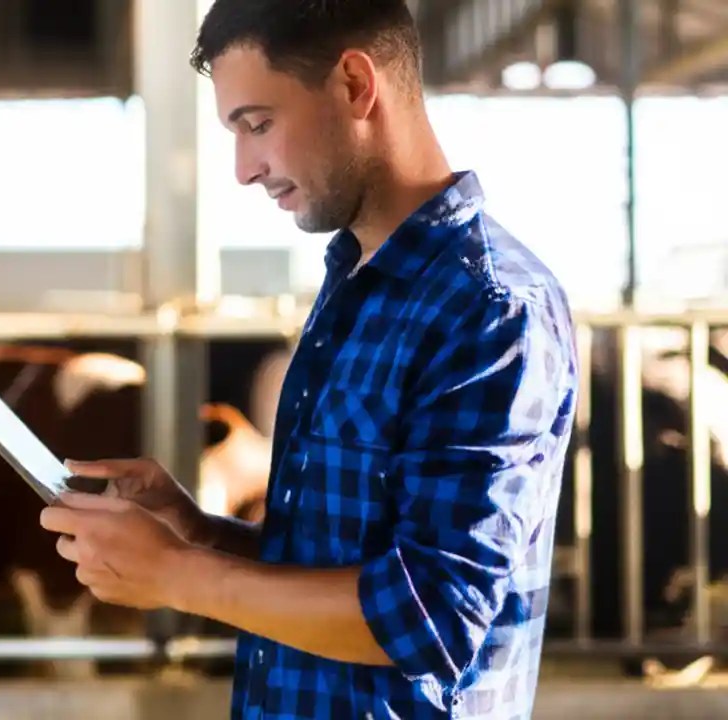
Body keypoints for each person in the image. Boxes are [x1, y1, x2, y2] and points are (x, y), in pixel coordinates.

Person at [38, 1, 580, 718]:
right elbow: (341, 560)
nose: (242, 168)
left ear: (356, 85)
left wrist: (178, 575)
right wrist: (199, 533)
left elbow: (432, 615)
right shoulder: (356, 278)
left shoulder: (490, 304)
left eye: (257, 124)